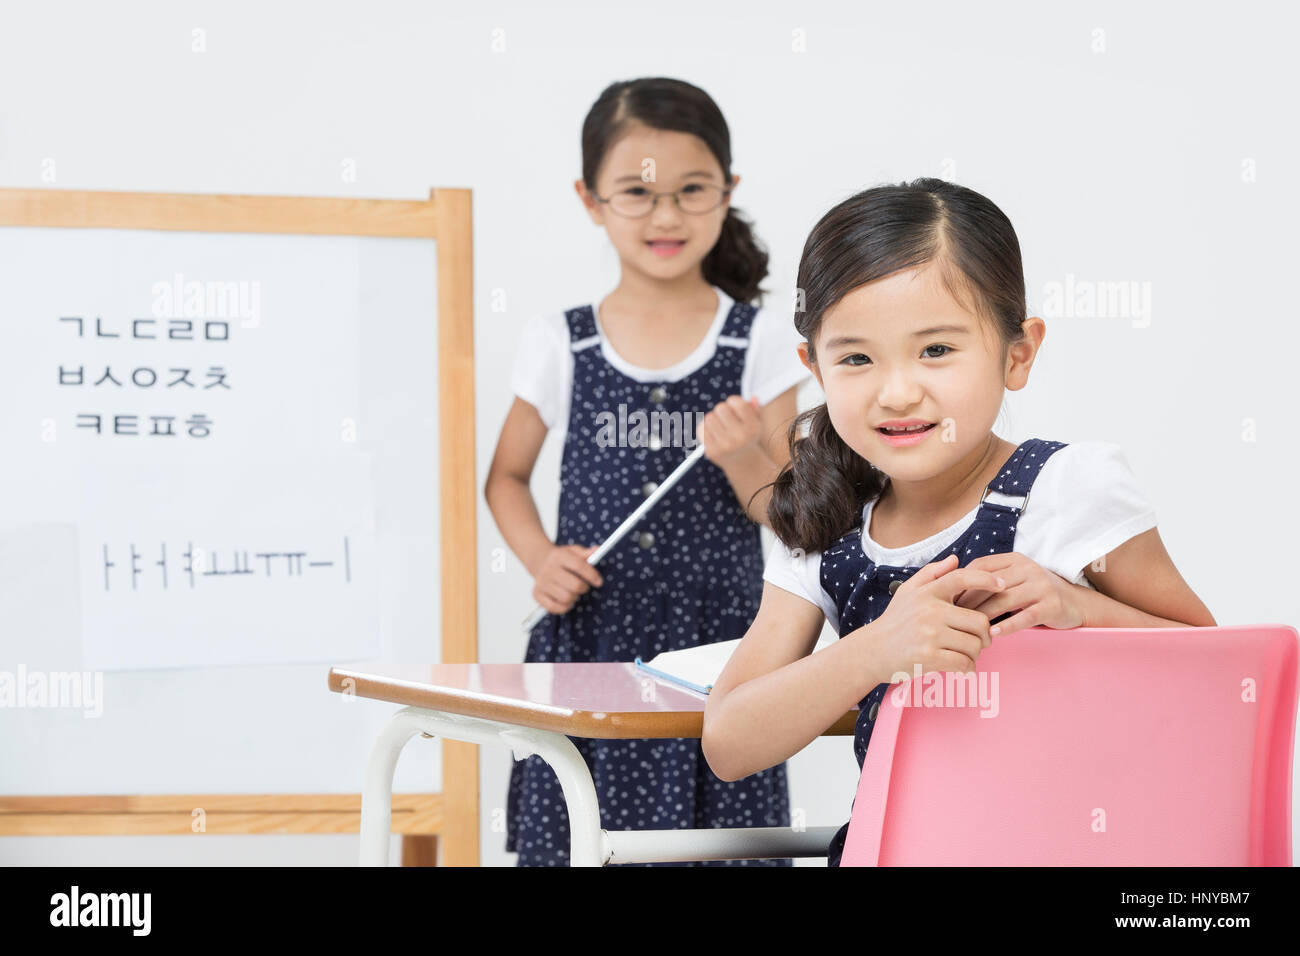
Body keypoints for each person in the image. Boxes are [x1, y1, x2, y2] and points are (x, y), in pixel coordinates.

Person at [701, 177, 1217, 867]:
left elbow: (1215, 675)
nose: (897, 391)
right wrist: (878, 649)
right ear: (815, 369)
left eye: (937, 350)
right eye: (855, 358)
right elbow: (729, 744)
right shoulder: (825, 524)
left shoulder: (1067, 490)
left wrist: (1078, 606)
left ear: (1018, 353)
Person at [484, 77, 811, 866]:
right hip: (591, 643)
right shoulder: (563, 340)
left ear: (728, 192)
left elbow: (796, 511)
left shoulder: (759, 340)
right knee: (577, 838)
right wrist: (540, 559)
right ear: (591, 199)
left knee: (718, 843)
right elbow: (505, 477)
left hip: (724, 651)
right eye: (637, 192)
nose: (666, 216)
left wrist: (742, 461)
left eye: (692, 191)